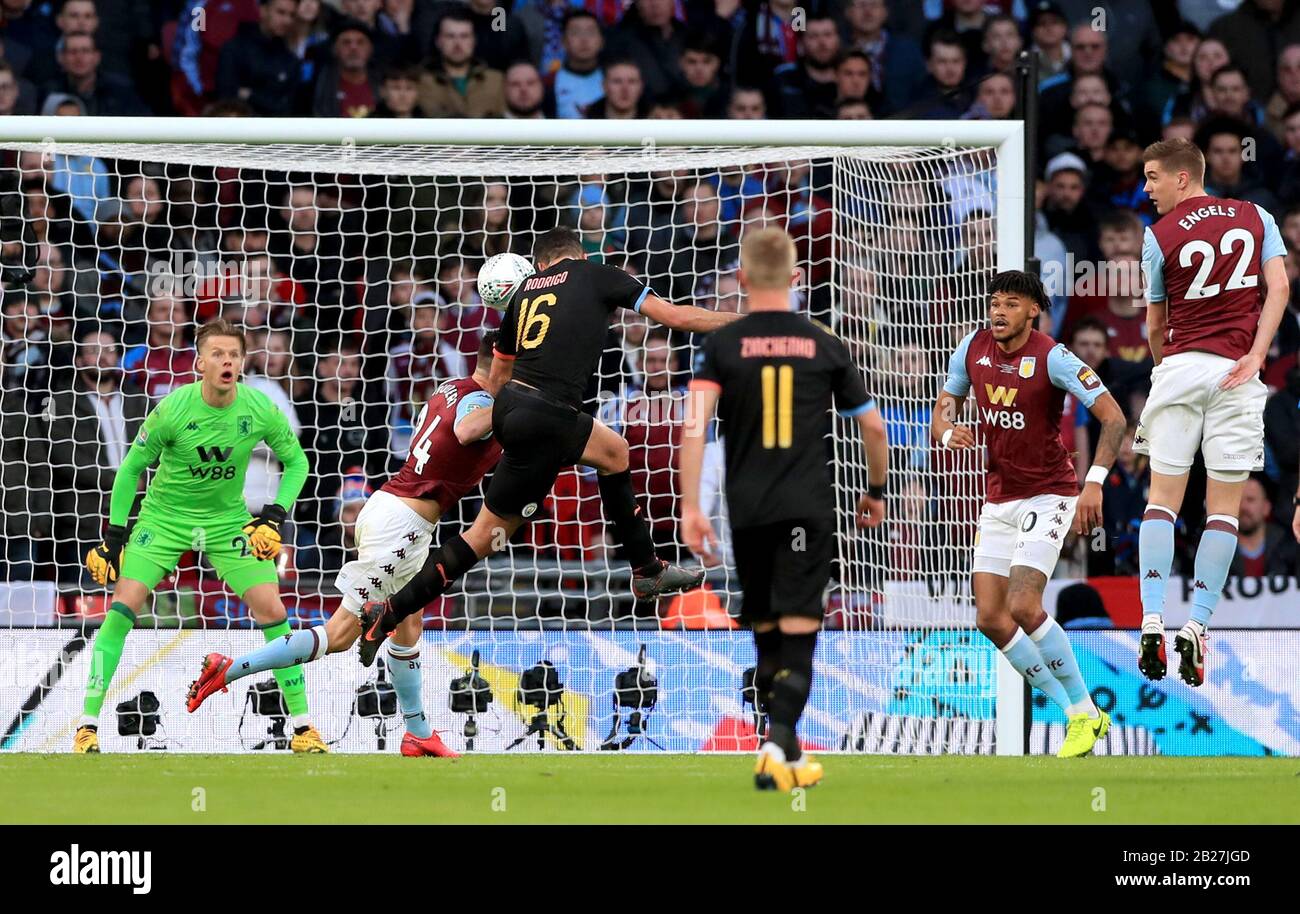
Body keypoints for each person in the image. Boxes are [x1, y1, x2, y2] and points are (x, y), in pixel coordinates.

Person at [355, 227, 741, 662]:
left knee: (483, 535)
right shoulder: (598, 274)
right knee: (615, 455)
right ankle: (646, 570)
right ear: (576, 255)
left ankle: (387, 612)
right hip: (552, 413)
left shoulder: (520, 296)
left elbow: (498, 377)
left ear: (540, 265)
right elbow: (677, 317)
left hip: (512, 413)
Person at [186, 335, 504, 759]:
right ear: (503, 366)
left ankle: (417, 733)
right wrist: (524, 406)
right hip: (403, 526)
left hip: (394, 508)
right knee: (337, 636)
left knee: (409, 624)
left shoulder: (452, 389)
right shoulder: (481, 403)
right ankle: (230, 669)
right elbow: (468, 430)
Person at [680, 227, 887, 791]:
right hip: (805, 511)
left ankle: (788, 758)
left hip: (746, 512)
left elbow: (694, 424)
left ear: (742, 279)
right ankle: (774, 746)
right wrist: (876, 490)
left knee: (768, 634)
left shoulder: (723, 344)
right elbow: (871, 423)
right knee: (798, 635)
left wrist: (690, 507)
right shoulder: (822, 341)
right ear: (796, 278)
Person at [75, 320, 322, 754]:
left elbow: (297, 462)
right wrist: (114, 538)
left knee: (272, 608)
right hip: (164, 519)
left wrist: (273, 518)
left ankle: (302, 728)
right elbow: (131, 470)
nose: (227, 361)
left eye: (234, 355)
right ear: (200, 362)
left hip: (228, 521)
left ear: (242, 363)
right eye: (218, 354)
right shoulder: (172, 409)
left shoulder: (259, 408)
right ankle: (87, 725)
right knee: (122, 607)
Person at [931, 270, 1126, 759]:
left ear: (1033, 310)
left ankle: (1083, 708)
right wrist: (945, 431)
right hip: (998, 498)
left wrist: (1093, 485)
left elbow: (1114, 417)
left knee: (1022, 604)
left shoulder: (1054, 357)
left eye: (1011, 303)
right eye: (995, 302)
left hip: (1049, 493)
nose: (998, 311)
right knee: (990, 618)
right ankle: (1081, 714)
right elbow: (945, 405)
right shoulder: (970, 349)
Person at [1136, 137, 1288, 688]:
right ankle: (1197, 626)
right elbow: (1280, 287)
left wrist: (1164, 371)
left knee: (1163, 501)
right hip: (1236, 373)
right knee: (1223, 510)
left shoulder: (1157, 236)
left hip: (1180, 367)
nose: (1146, 188)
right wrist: (1256, 353)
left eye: (1152, 177)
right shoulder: (1256, 216)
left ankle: (1152, 614)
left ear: (1182, 178)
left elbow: (1155, 323)